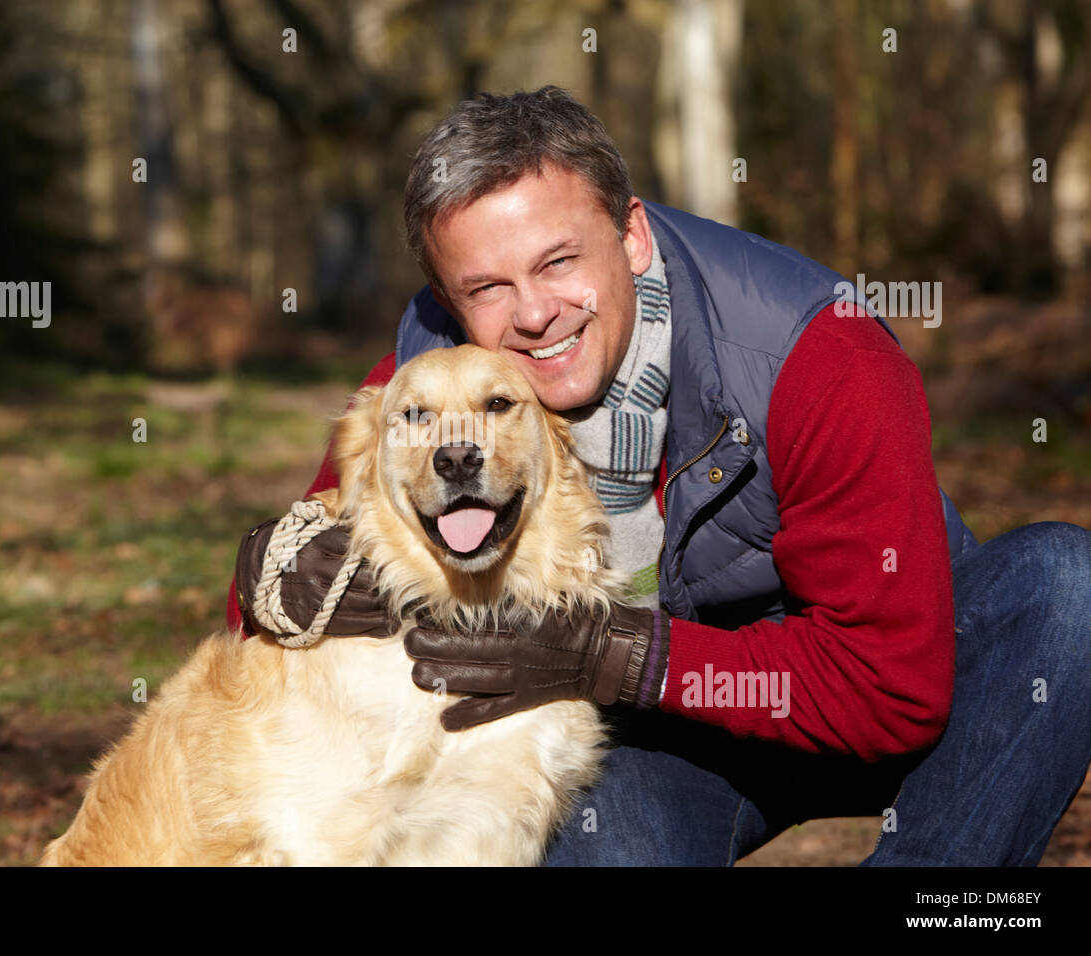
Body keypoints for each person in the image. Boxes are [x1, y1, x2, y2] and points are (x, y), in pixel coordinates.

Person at [228, 86, 1091, 865]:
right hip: (656, 736)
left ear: (631, 234)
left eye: (558, 260)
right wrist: (279, 572)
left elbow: (888, 690)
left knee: (1066, 586)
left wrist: (623, 655)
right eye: (487, 286)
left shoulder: (823, 353)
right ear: (448, 300)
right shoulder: (434, 368)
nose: (533, 314)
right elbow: (287, 593)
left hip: (852, 682)